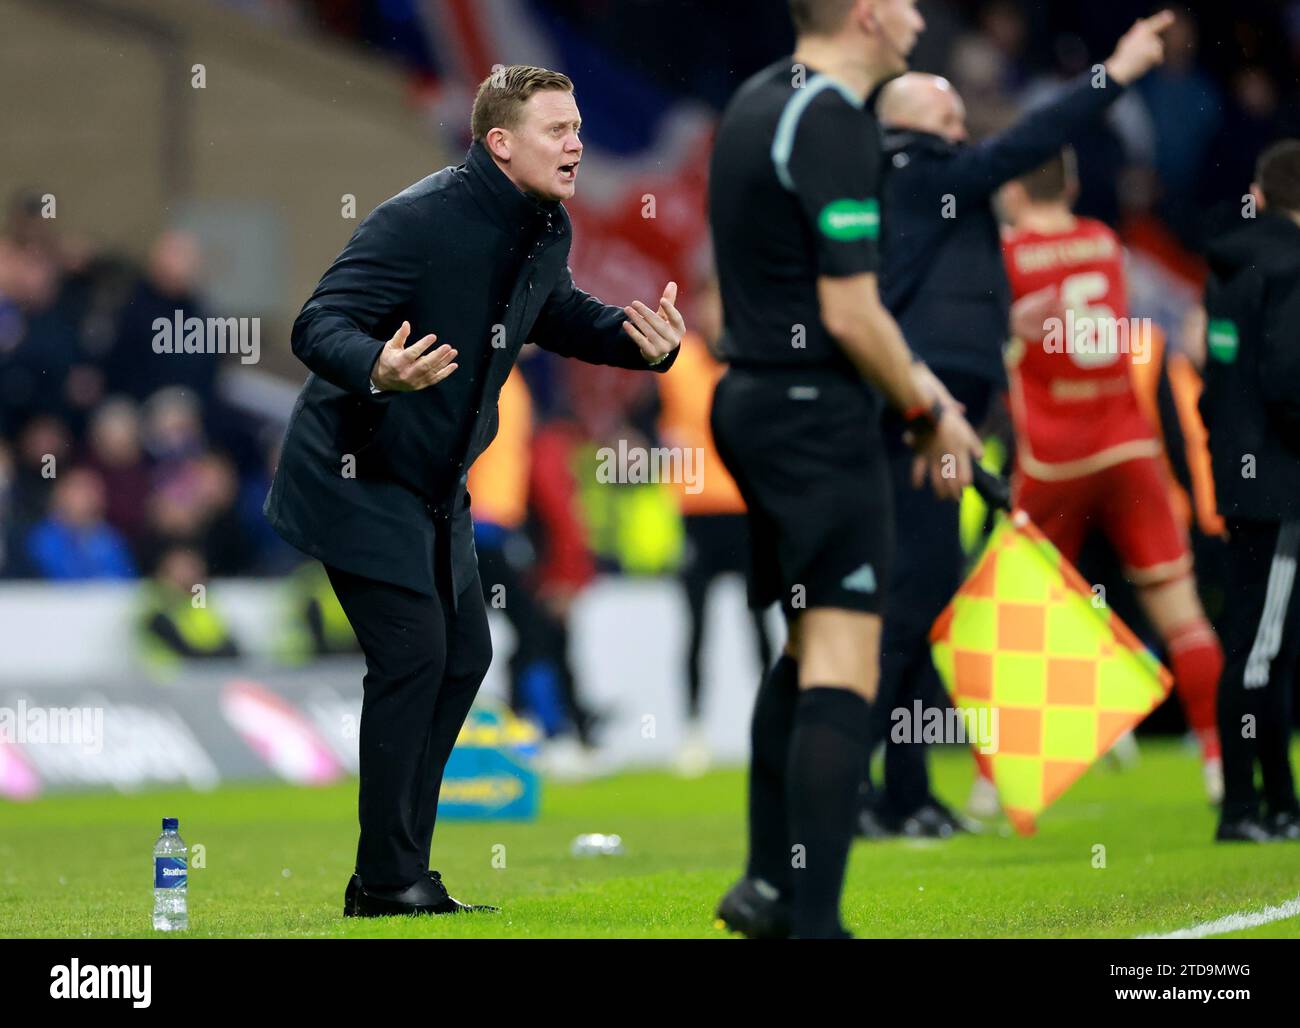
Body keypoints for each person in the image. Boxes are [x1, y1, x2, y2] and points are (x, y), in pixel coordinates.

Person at [264, 65, 684, 918]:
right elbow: (318, 324)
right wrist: (376, 365)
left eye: (577, 128)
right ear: (500, 143)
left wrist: (638, 345)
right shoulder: (419, 220)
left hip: (434, 484)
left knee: (465, 655)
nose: (576, 145)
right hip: (355, 469)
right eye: (557, 131)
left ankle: (393, 870)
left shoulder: (545, 227)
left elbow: (553, 311)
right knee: (416, 654)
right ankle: (387, 880)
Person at [857, 11, 1178, 836]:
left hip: (927, 409)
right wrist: (1117, 70)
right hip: (925, 416)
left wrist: (1003, 324)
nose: (964, 129)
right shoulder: (921, 171)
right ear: (907, 125)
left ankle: (902, 792)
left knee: (917, 595)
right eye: (948, 116)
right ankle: (872, 793)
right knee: (912, 598)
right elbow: (1033, 137)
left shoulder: (901, 183)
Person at [709, 0, 983, 939]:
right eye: (905, 2)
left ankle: (767, 885)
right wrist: (927, 414)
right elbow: (852, 313)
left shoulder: (757, 100)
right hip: (814, 417)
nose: (919, 15)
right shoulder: (827, 118)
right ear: (867, 16)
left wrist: (921, 395)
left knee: (803, 648)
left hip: (756, 403)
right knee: (841, 661)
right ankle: (815, 921)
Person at [992, 148, 1225, 810]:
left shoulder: (1005, 253)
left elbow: (996, 344)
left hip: (1052, 456)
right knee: (1181, 611)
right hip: (1128, 445)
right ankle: (1216, 760)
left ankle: (997, 782)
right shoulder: (1104, 242)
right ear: (1069, 182)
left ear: (1012, 190)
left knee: (1019, 618)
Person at [1200, 139, 1300, 843]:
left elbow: (1220, 380)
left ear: (1259, 194)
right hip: (1281, 480)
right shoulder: (1294, 267)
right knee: (1261, 649)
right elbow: (1288, 380)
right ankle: (1243, 807)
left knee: (1264, 643)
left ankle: (1278, 801)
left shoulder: (1230, 264)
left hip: (1239, 473)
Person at [657, 275, 772, 777]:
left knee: (759, 624)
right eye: (711, 304)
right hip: (697, 515)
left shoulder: (757, 365)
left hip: (747, 511)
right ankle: (693, 731)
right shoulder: (677, 364)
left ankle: (773, 723)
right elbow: (642, 424)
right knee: (697, 627)